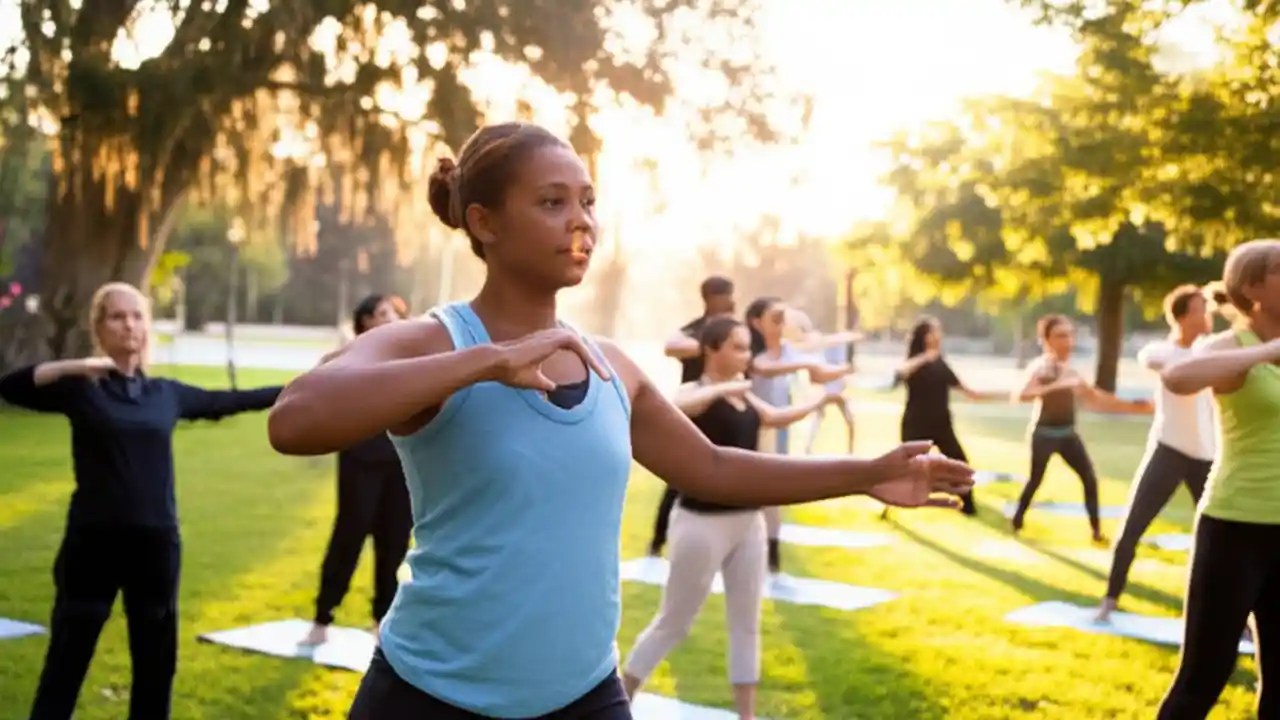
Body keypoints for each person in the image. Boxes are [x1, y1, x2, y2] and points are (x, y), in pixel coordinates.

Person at [266, 122, 974, 720]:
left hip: (583, 698)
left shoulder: (611, 365)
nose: (581, 220)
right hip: (429, 696)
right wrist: (482, 362)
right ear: (483, 222)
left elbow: (715, 469)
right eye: (551, 202)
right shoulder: (434, 341)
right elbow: (296, 418)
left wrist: (866, 473)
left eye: (588, 201)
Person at [0, 282, 282, 720]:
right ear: (99, 326)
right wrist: (80, 366)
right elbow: (12, 387)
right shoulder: (81, 390)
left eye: (136, 316)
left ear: (147, 326)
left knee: (155, 664)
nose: (129, 325)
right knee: (67, 659)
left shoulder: (164, 394)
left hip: (155, 545)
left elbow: (230, 401)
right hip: (92, 543)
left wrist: (305, 385)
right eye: (116, 316)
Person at [623, 315, 844, 720]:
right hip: (699, 524)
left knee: (746, 624)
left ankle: (747, 716)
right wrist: (724, 387)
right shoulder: (697, 391)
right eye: (739, 347)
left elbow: (776, 418)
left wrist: (822, 400)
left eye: (748, 347)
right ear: (712, 349)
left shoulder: (747, 396)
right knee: (674, 623)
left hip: (748, 523)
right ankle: (622, 699)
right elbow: (675, 406)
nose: (747, 355)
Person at [1156, 240, 1280, 719]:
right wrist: (1266, 352)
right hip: (1236, 527)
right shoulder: (1231, 346)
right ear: (1252, 287)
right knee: (1202, 678)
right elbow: (1177, 377)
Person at [1096, 285, 1217, 623]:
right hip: (1168, 451)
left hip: (1207, 458)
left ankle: (1241, 621)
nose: (1207, 314)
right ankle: (1109, 599)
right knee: (1132, 527)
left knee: (1224, 541)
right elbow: (1152, 359)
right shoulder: (1162, 350)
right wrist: (1204, 357)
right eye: (1200, 309)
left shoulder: (1214, 351)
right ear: (1181, 317)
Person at [303, 293, 413, 646]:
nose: (392, 318)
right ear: (366, 320)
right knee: (349, 537)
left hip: (400, 464)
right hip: (361, 460)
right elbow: (319, 381)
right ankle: (322, 619)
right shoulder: (353, 355)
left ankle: (382, 621)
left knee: (394, 543)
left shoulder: (413, 356)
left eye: (396, 313)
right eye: (383, 313)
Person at [1010, 314, 1151, 543]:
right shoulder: (1042, 368)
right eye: (1060, 336)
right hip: (1043, 435)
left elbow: (1096, 398)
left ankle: (1096, 532)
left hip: (1068, 435)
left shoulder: (1071, 371)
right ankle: (1017, 521)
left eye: (1070, 335)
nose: (1068, 341)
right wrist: (1058, 384)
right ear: (1047, 340)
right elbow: (1021, 395)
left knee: (1089, 478)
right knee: (1035, 480)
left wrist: (1133, 405)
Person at [745, 296, 853, 573]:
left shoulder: (787, 351)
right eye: (775, 319)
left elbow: (818, 375)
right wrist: (806, 366)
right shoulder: (749, 351)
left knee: (772, 492)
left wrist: (843, 370)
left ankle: (772, 553)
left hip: (778, 429)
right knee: (747, 491)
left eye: (784, 319)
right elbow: (763, 368)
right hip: (747, 429)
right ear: (757, 322)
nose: (781, 325)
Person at [647, 275, 737, 557]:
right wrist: (712, 345)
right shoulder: (694, 330)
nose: (732, 301)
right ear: (712, 299)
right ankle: (657, 541)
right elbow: (671, 346)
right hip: (696, 414)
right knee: (679, 479)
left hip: (728, 414)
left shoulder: (735, 329)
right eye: (726, 295)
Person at [893, 316, 1006, 516]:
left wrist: (1005, 394)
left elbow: (969, 392)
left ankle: (969, 509)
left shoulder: (940, 363)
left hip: (942, 426)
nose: (940, 334)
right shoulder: (915, 362)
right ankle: (890, 505)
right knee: (908, 470)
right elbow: (900, 372)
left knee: (961, 466)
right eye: (935, 331)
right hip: (916, 426)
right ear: (925, 336)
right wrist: (925, 357)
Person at [783, 308, 860, 455]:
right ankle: (809, 447)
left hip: (831, 385)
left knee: (844, 417)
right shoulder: (801, 347)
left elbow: (831, 341)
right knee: (818, 417)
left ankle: (850, 449)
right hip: (823, 387)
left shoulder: (813, 342)